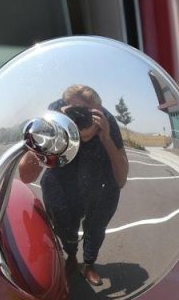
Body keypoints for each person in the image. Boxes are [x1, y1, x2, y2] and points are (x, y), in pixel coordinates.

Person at [41, 85, 128, 286]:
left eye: (89, 112)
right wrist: (58, 130)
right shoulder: (56, 117)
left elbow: (122, 178)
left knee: (96, 229)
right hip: (62, 184)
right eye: (75, 111)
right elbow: (27, 175)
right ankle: (71, 257)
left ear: (99, 110)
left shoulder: (106, 121)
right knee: (64, 226)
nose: (81, 117)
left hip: (101, 186)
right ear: (65, 108)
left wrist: (105, 137)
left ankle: (89, 264)